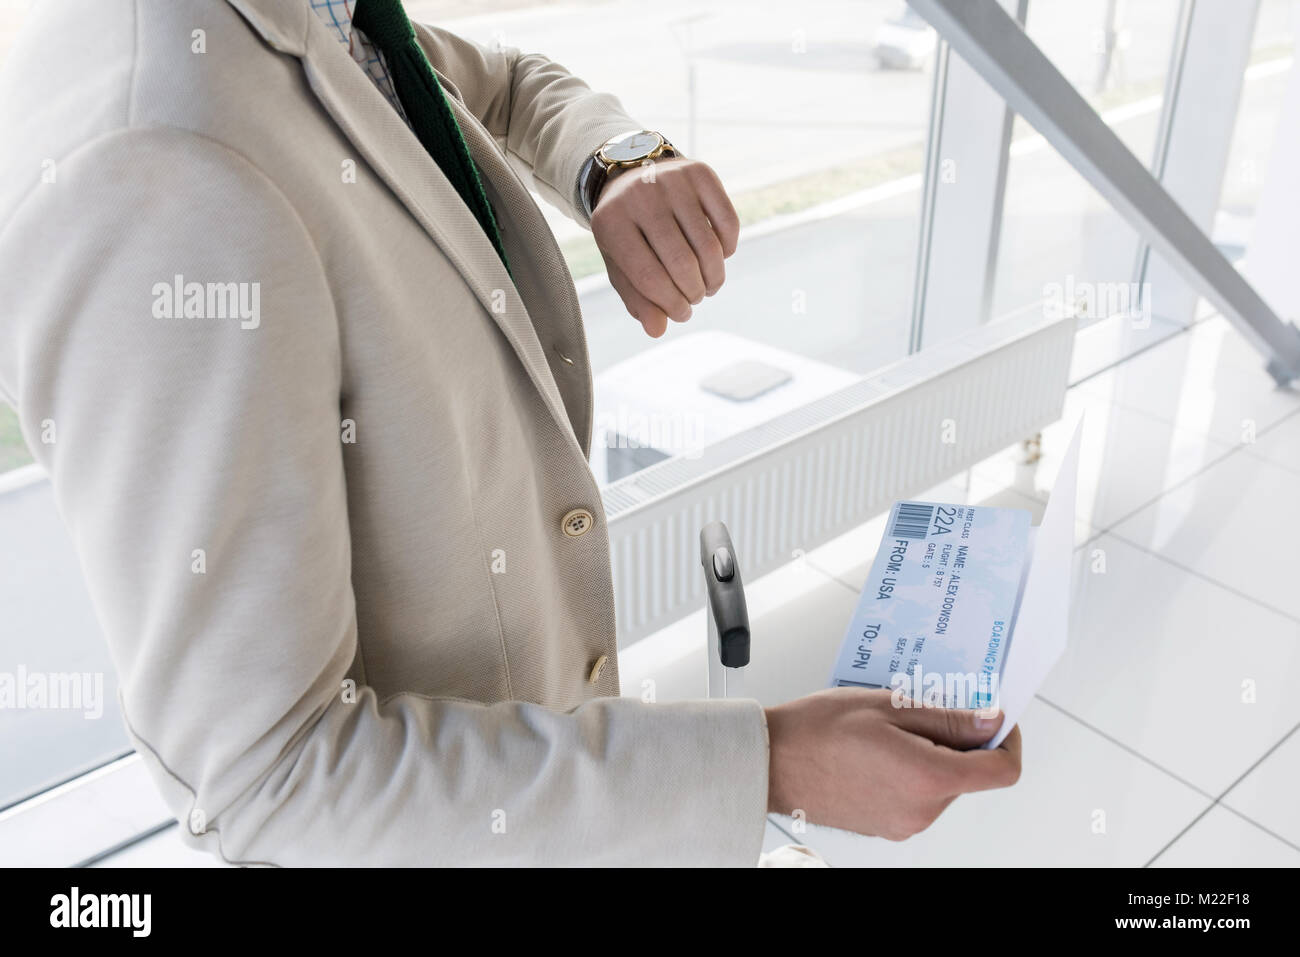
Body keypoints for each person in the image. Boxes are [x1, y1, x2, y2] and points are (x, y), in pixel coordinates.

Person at [0, 0, 1020, 865]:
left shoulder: (308, 15)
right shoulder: (155, 161)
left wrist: (615, 163)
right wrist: (768, 765)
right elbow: (275, 775)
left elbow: (492, 79)